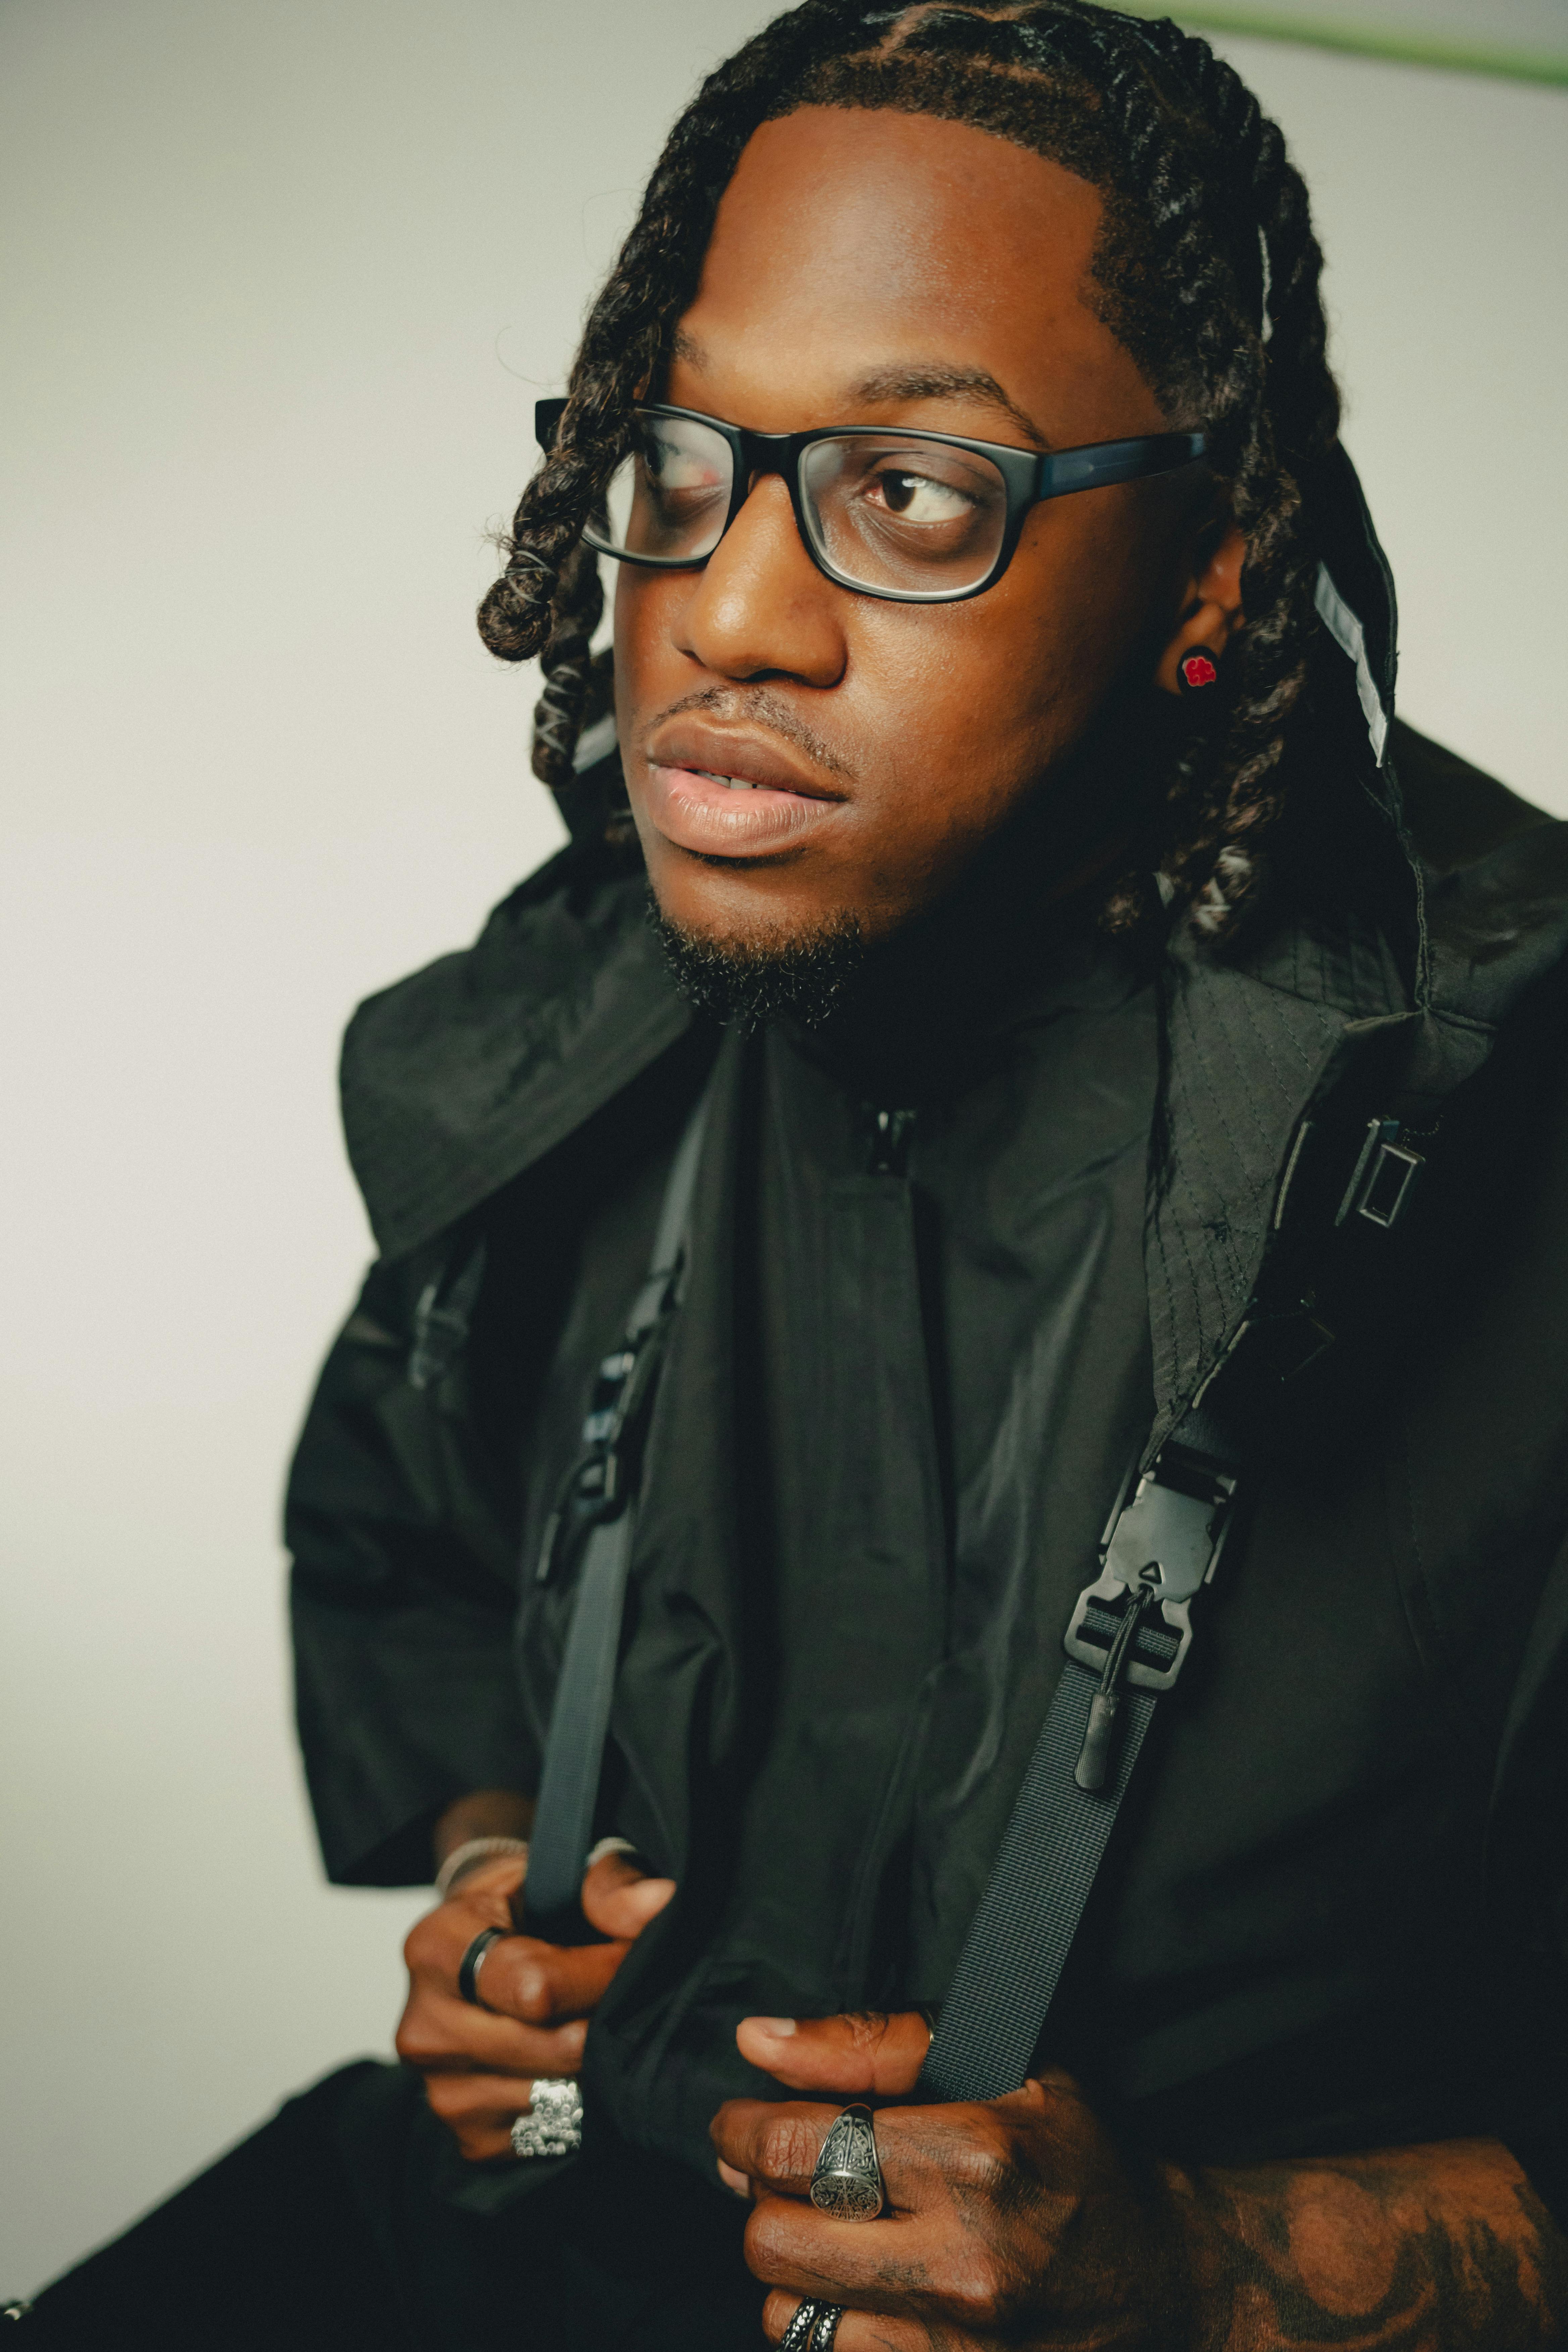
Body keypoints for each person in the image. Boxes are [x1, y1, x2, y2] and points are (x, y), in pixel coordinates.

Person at [17, 3, 1568, 2345]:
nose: (726, 613)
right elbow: (403, 1549)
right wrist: (506, 1944)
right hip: (537, 2241)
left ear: (1213, 572)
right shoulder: (585, 1019)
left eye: (915, 492)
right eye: (681, 457)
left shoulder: (1507, 1125)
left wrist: (1218, 2276)